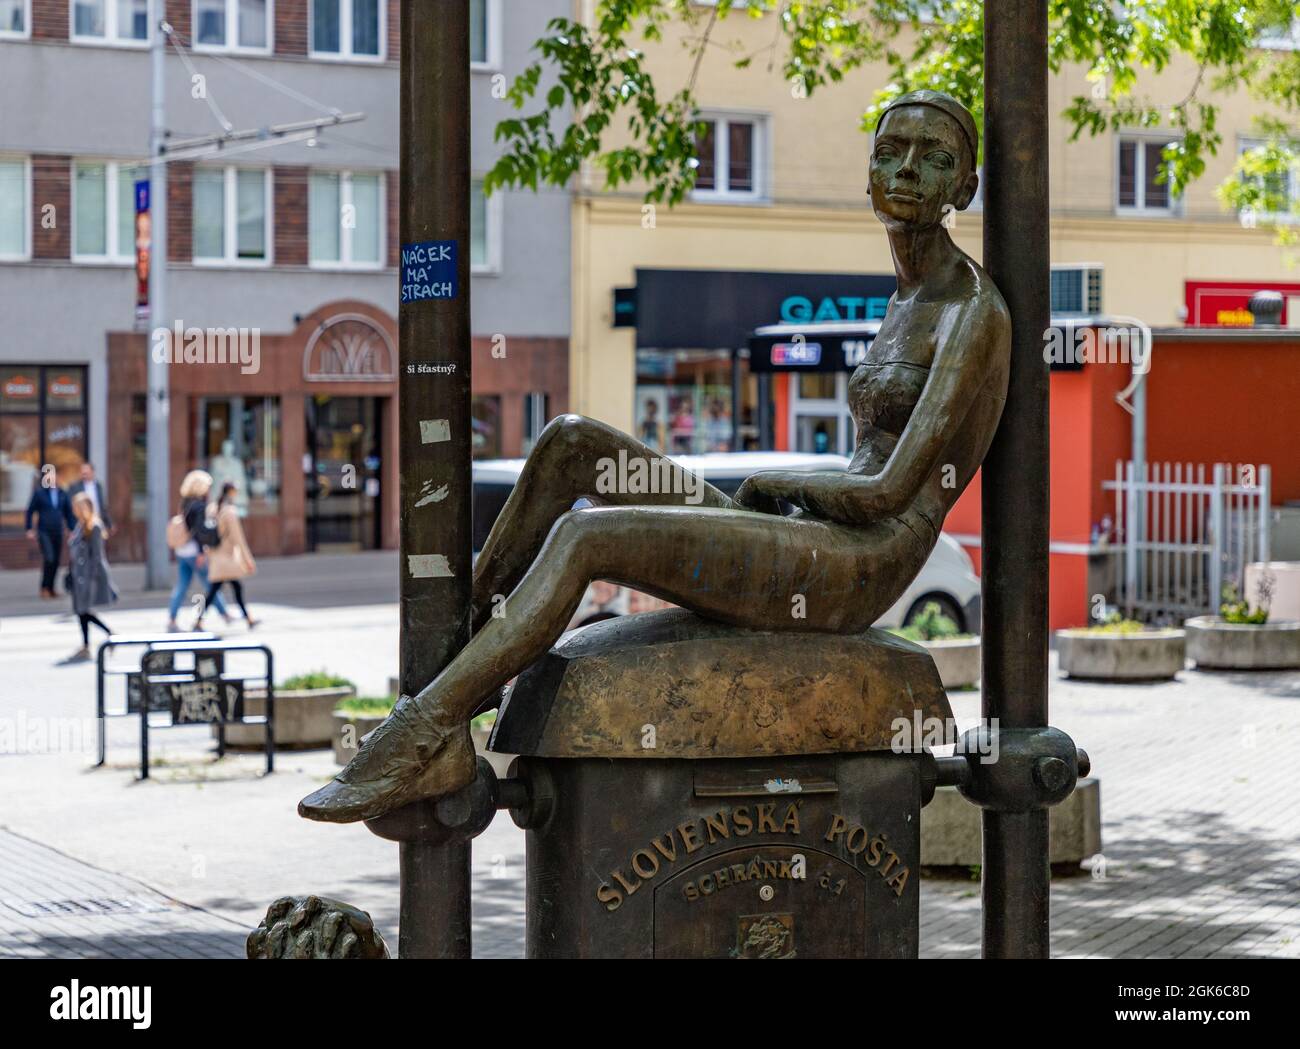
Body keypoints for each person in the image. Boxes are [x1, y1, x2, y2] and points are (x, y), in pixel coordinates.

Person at [300, 89, 1011, 825]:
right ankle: (461, 655)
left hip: (861, 560)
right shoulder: (905, 298)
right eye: (890, 153)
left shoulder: (971, 310)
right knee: (570, 442)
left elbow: (891, 489)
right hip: (820, 530)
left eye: (934, 159)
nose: (906, 171)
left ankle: (421, 734)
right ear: (866, 173)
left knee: (586, 536)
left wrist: (772, 479)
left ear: (964, 186)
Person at [166, 470, 232, 632]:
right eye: (208, 486)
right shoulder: (200, 506)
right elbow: (199, 531)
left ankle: (172, 619)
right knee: (210, 585)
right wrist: (203, 551)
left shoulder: (185, 503)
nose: (209, 489)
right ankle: (220, 615)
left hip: (182, 550)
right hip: (195, 551)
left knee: (182, 585)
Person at [197, 481, 259, 629]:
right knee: (219, 591)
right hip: (227, 558)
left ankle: (248, 618)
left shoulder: (212, 509)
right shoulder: (229, 512)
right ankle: (199, 619)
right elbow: (239, 539)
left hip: (216, 556)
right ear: (231, 492)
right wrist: (247, 560)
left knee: (226, 589)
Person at [66, 492, 116, 662]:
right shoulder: (80, 525)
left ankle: (109, 635)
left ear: (84, 508)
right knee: (82, 611)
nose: (73, 510)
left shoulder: (94, 526)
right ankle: (88, 644)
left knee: (84, 611)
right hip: (78, 575)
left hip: (88, 576)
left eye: (76, 507)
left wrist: (90, 579)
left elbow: (97, 556)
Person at [25, 477, 75, 599]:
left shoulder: (62, 494)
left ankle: (51, 588)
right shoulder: (40, 493)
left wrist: (72, 529)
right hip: (43, 531)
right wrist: (29, 528)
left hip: (58, 531)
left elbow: (68, 513)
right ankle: (44, 587)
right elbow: (30, 510)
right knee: (49, 558)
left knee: (56, 561)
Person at [67, 461, 113, 535]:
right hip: (81, 524)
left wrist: (109, 524)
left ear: (92, 472)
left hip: (96, 521)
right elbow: (70, 507)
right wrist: (71, 526)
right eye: (82, 473)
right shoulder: (75, 487)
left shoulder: (98, 486)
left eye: (86, 473)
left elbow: (102, 506)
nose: (84, 475)